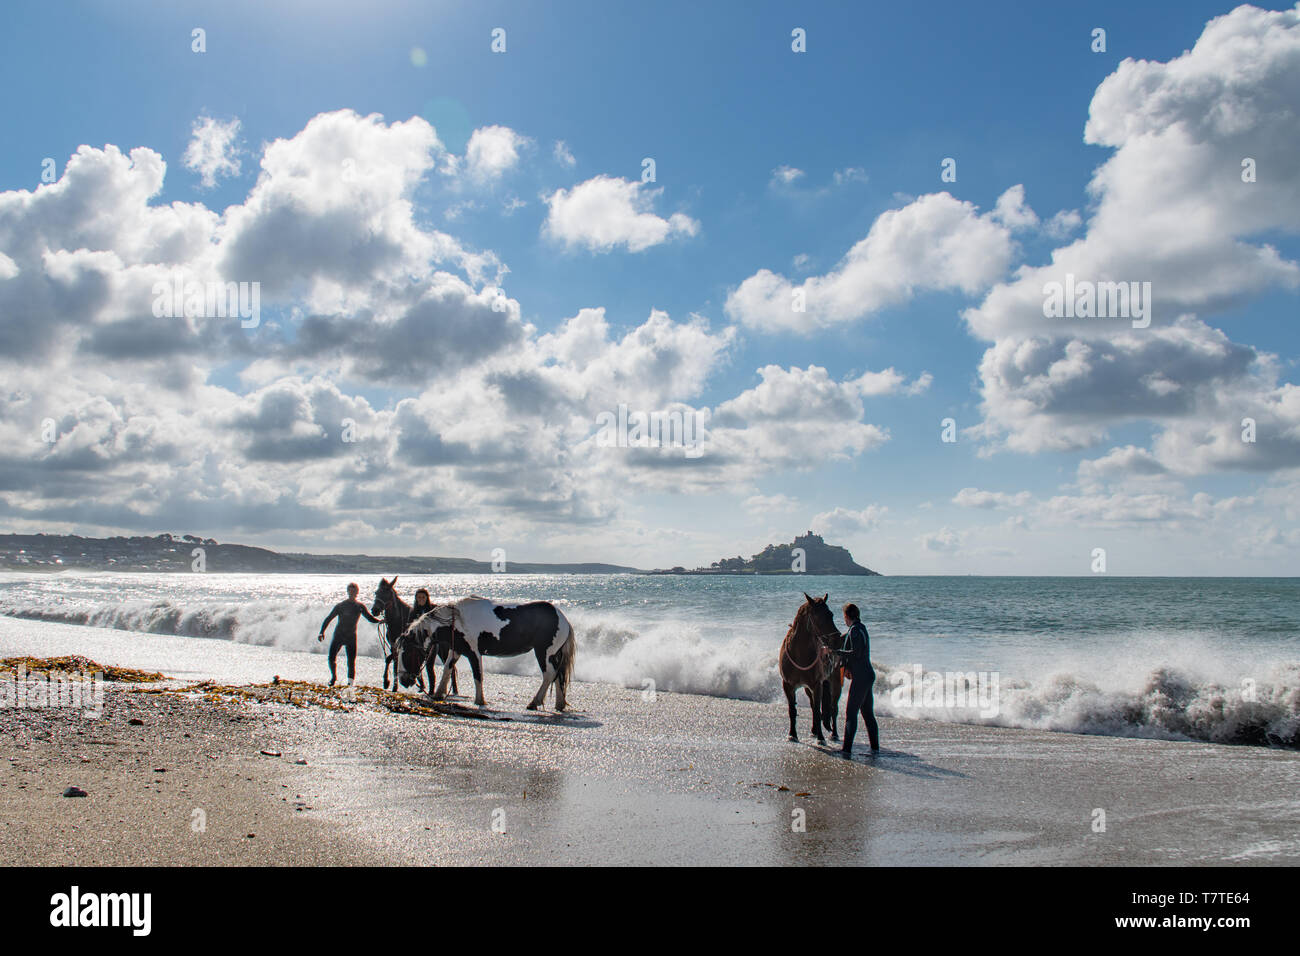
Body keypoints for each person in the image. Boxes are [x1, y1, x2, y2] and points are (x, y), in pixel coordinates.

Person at [318, 582, 380, 687]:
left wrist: (381, 621)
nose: (352, 592)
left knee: (351, 662)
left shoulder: (360, 606)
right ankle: (333, 678)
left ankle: (350, 684)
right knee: (331, 658)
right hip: (339, 635)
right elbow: (328, 618)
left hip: (351, 636)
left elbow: (370, 618)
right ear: (347, 592)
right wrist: (321, 632)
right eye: (350, 590)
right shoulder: (341, 606)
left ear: (357, 592)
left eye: (354, 591)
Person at [838, 602, 880, 755]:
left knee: (851, 714)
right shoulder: (860, 628)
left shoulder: (855, 631)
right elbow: (845, 640)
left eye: (844, 617)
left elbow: (854, 652)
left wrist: (833, 651)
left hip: (861, 678)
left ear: (846, 616)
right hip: (867, 675)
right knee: (868, 713)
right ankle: (875, 748)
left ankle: (846, 750)